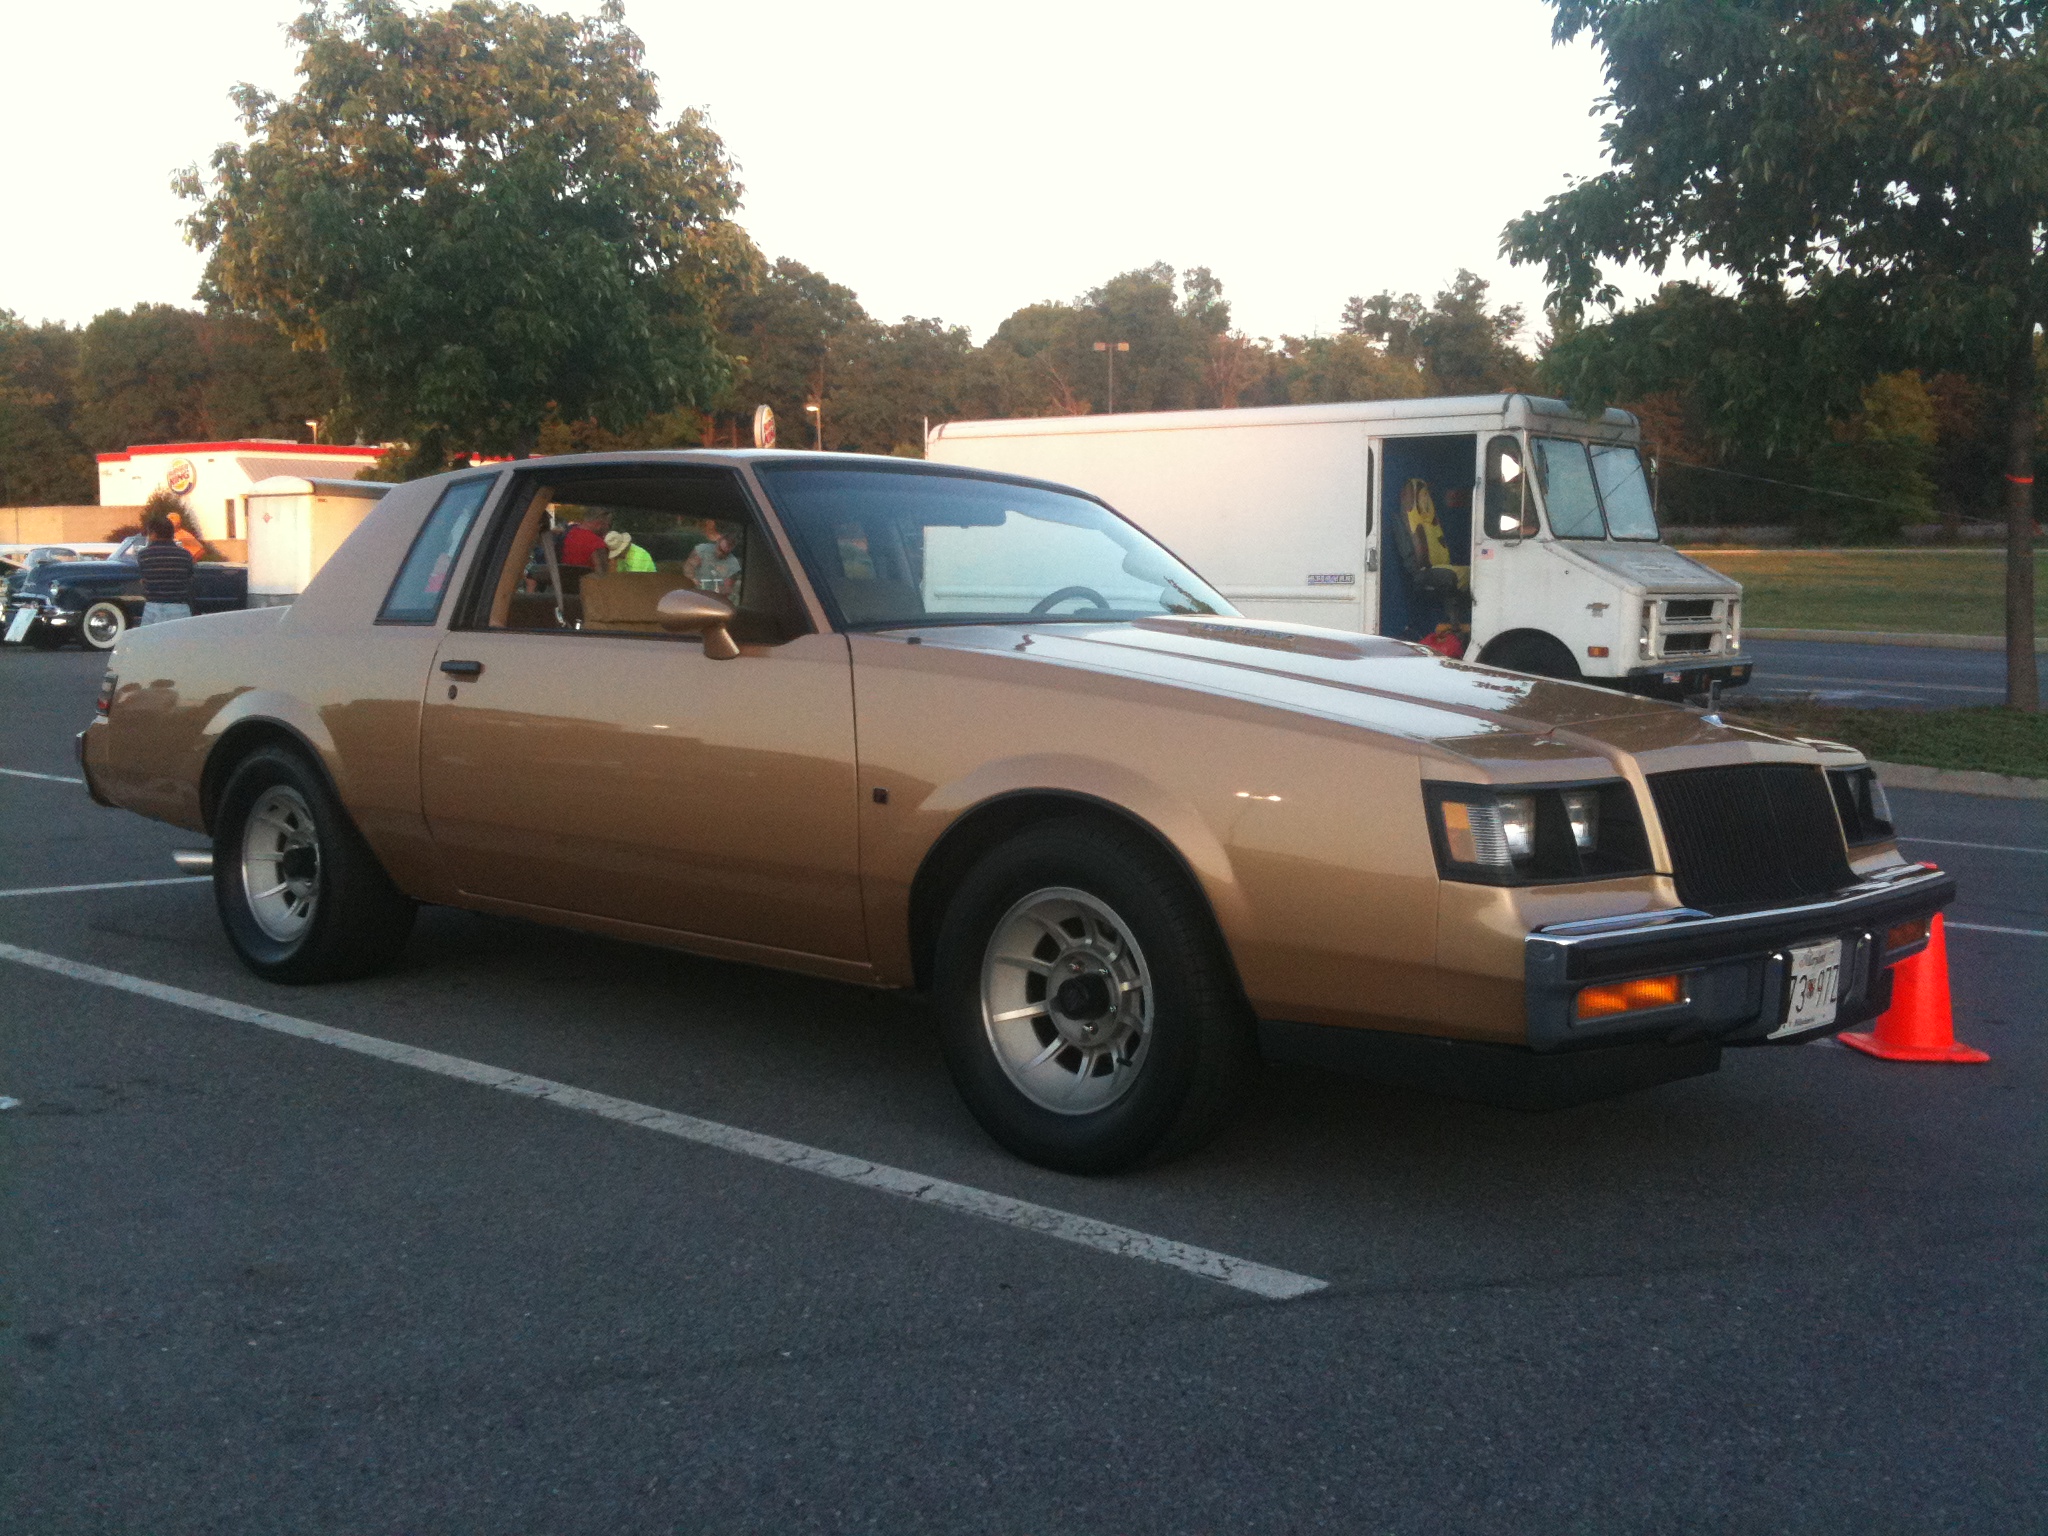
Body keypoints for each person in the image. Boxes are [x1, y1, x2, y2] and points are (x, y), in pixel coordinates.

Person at [136, 511, 196, 626]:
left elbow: (143, 580)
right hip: (180, 608)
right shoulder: (185, 555)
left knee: (151, 643)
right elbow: (190, 580)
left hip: (153, 607)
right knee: (178, 643)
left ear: (153, 534)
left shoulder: (143, 555)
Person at [683, 530, 741, 597]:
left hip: (716, 600)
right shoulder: (702, 550)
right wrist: (693, 579)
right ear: (719, 540)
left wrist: (719, 590)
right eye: (720, 549)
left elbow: (727, 589)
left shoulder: (733, 564)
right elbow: (687, 570)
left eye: (731, 544)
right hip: (696, 595)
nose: (720, 553)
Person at [557, 507, 613, 574]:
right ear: (599, 524)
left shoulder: (569, 533)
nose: (608, 530)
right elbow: (603, 575)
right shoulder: (597, 544)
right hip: (587, 583)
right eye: (609, 525)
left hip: (564, 581)